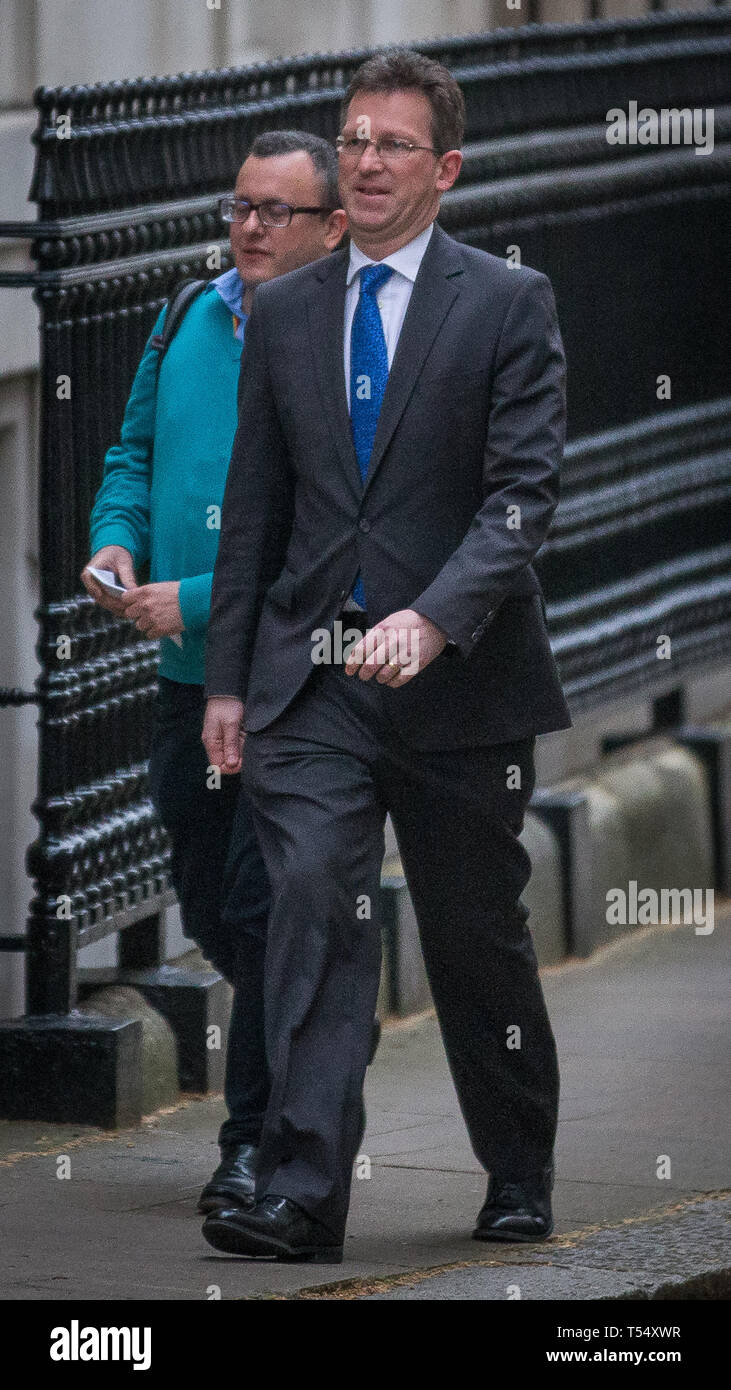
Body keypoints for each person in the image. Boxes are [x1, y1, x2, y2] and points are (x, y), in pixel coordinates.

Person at [201, 49, 572, 1265]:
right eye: (352, 139)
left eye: (391, 144)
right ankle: (301, 1193)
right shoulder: (290, 306)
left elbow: (520, 499)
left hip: (458, 683)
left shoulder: (506, 303)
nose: (362, 161)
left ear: (444, 168)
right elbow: (254, 504)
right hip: (313, 678)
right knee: (313, 904)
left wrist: (435, 614)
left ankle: (516, 1167)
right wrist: (224, 681)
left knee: (474, 935)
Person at [81, 130, 347, 1216]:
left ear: (331, 229)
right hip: (189, 679)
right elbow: (132, 454)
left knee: (262, 902)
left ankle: (251, 1152)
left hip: (287, 683)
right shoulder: (186, 313)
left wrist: (187, 600)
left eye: (273, 212)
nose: (247, 227)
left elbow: (330, 532)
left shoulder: (337, 342)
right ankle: (319, 1028)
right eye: (238, 206)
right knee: (213, 901)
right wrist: (115, 541)